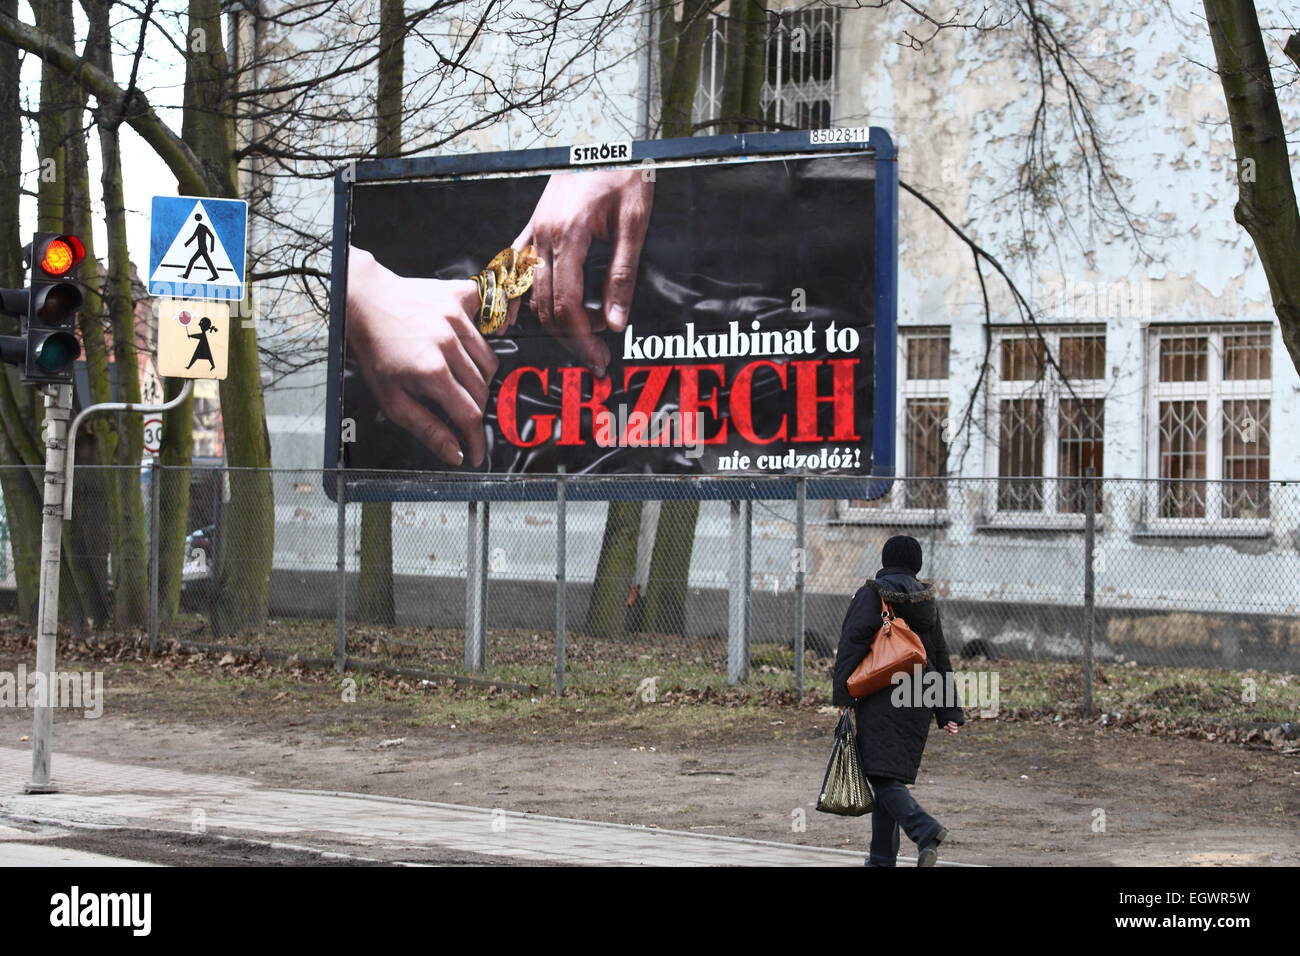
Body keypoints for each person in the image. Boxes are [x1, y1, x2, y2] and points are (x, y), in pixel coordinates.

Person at [832, 534, 965, 867]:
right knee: (886, 776)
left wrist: (844, 695)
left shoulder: (871, 595)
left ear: (885, 560)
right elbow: (938, 656)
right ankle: (881, 859)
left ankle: (925, 830)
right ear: (916, 565)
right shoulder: (925, 600)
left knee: (881, 777)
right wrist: (948, 709)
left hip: (881, 696)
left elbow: (852, 644)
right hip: (918, 698)